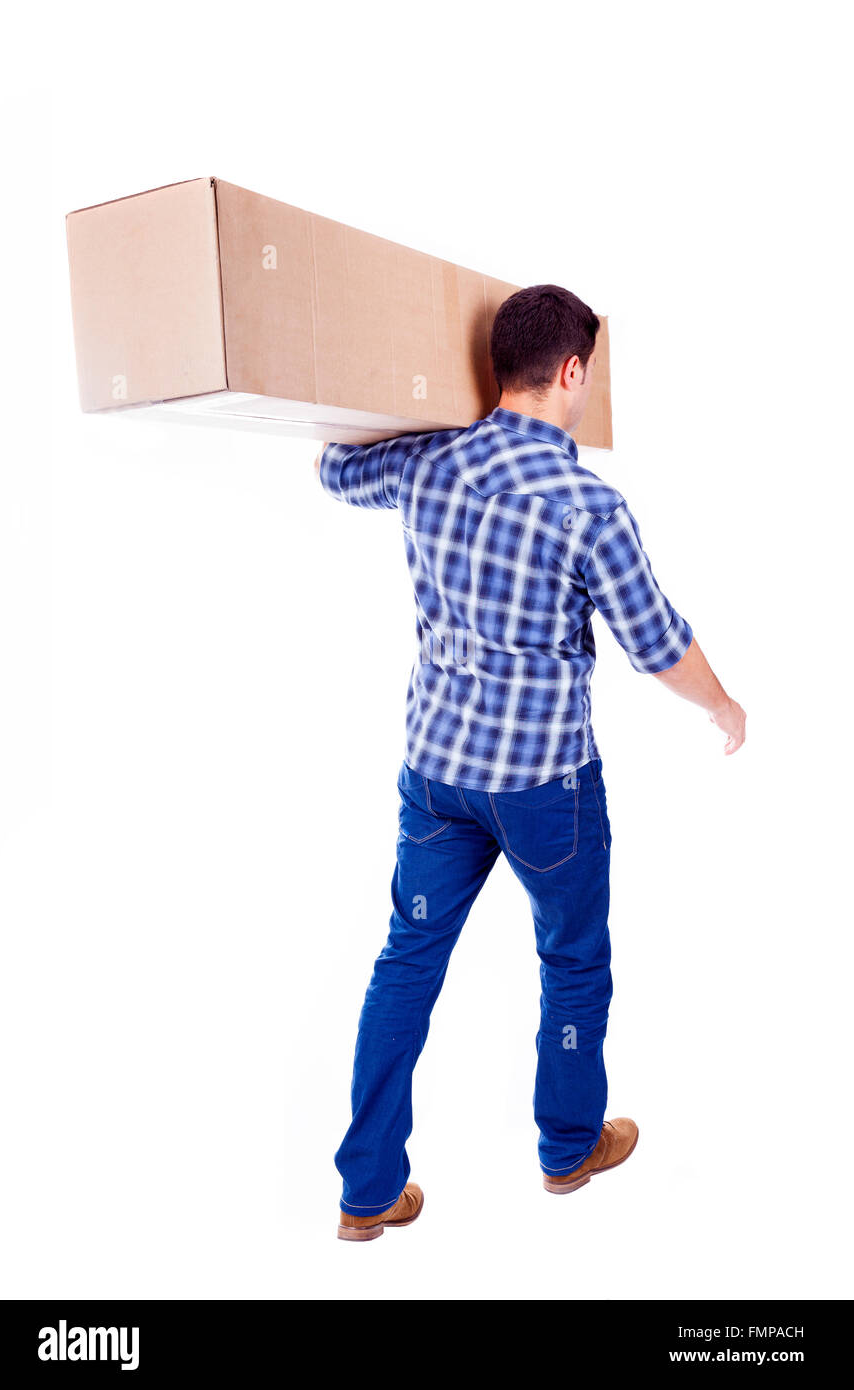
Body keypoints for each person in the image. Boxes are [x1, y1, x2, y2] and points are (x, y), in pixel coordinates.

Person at [315, 284, 745, 1242]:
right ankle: (566, 1148)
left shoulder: (428, 465)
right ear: (572, 370)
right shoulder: (586, 504)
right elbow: (656, 643)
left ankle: (368, 1191)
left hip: (436, 777)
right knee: (573, 961)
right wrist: (724, 707)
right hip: (546, 793)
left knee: (405, 966)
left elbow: (335, 475)